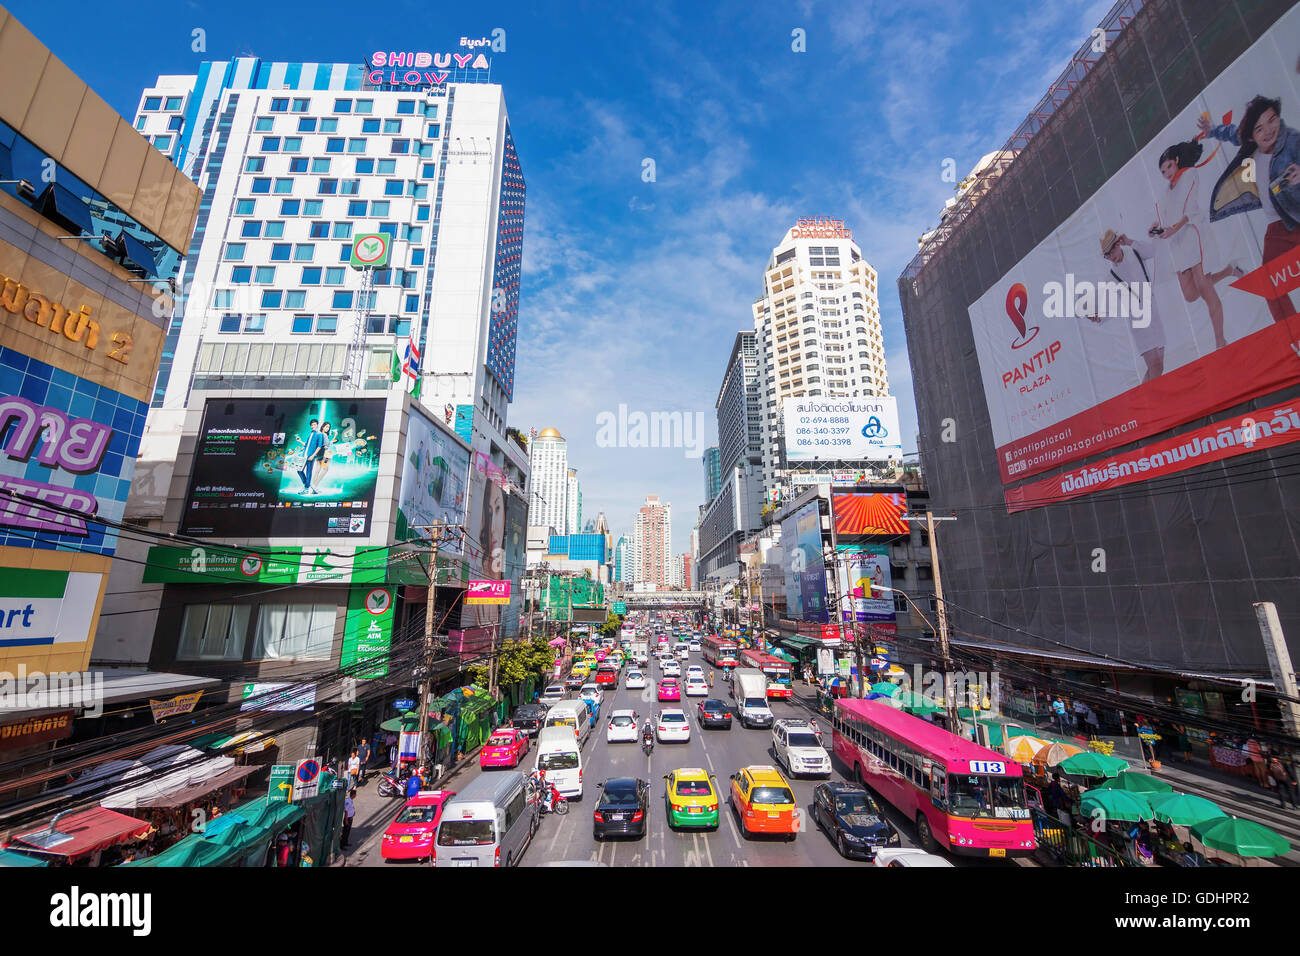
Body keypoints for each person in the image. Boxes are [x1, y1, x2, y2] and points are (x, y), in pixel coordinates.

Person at [1200, 95, 1300, 323]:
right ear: (1252, 136)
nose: (1268, 131)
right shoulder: (1252, 146)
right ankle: (1293, 334)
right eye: (1259, 128)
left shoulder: (1293, 140)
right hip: (1276, 226)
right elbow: (1234, 134)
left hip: (1296, 217)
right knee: (1270, 280)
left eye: (1272, 120)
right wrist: (1212, 130)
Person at [1148, 140, 1242, 350]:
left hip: (1192, 234)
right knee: (1190, 295)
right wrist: (1156, 227)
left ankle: (1220, 341)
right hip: (1177, 245)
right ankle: (1228, 271)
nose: (1167, 173)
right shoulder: (1166, 192)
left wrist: (1175, 227)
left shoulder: (1190, 174)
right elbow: (1164, 219)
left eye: (1169, 167)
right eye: (1163, 171)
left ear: (1177, 161)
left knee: (1206, 290)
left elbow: (1190, 210)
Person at [297, 419, 325, 493]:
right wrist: (299, 441)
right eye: (312, 425)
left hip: (311, 456)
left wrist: (313, 455)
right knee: (299, 470)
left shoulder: (319, 434)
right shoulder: (310, 434)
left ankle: (306, 489)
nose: (313, 426)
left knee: (308, 472)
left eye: (314, 424)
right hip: (304, 455)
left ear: (317, 425)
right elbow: (306, 445)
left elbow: (319, 446)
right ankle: (308, 485)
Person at [309, 422, 333, 492]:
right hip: (325, 454)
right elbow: (326, 446)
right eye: (326, 427)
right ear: (322, 427)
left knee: (317, 470)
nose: (327, 428)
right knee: (325, 469)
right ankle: (315, 485)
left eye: (328, 427)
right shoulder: (324, 434)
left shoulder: (319, 434)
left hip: (319, 453)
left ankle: (313, 488)